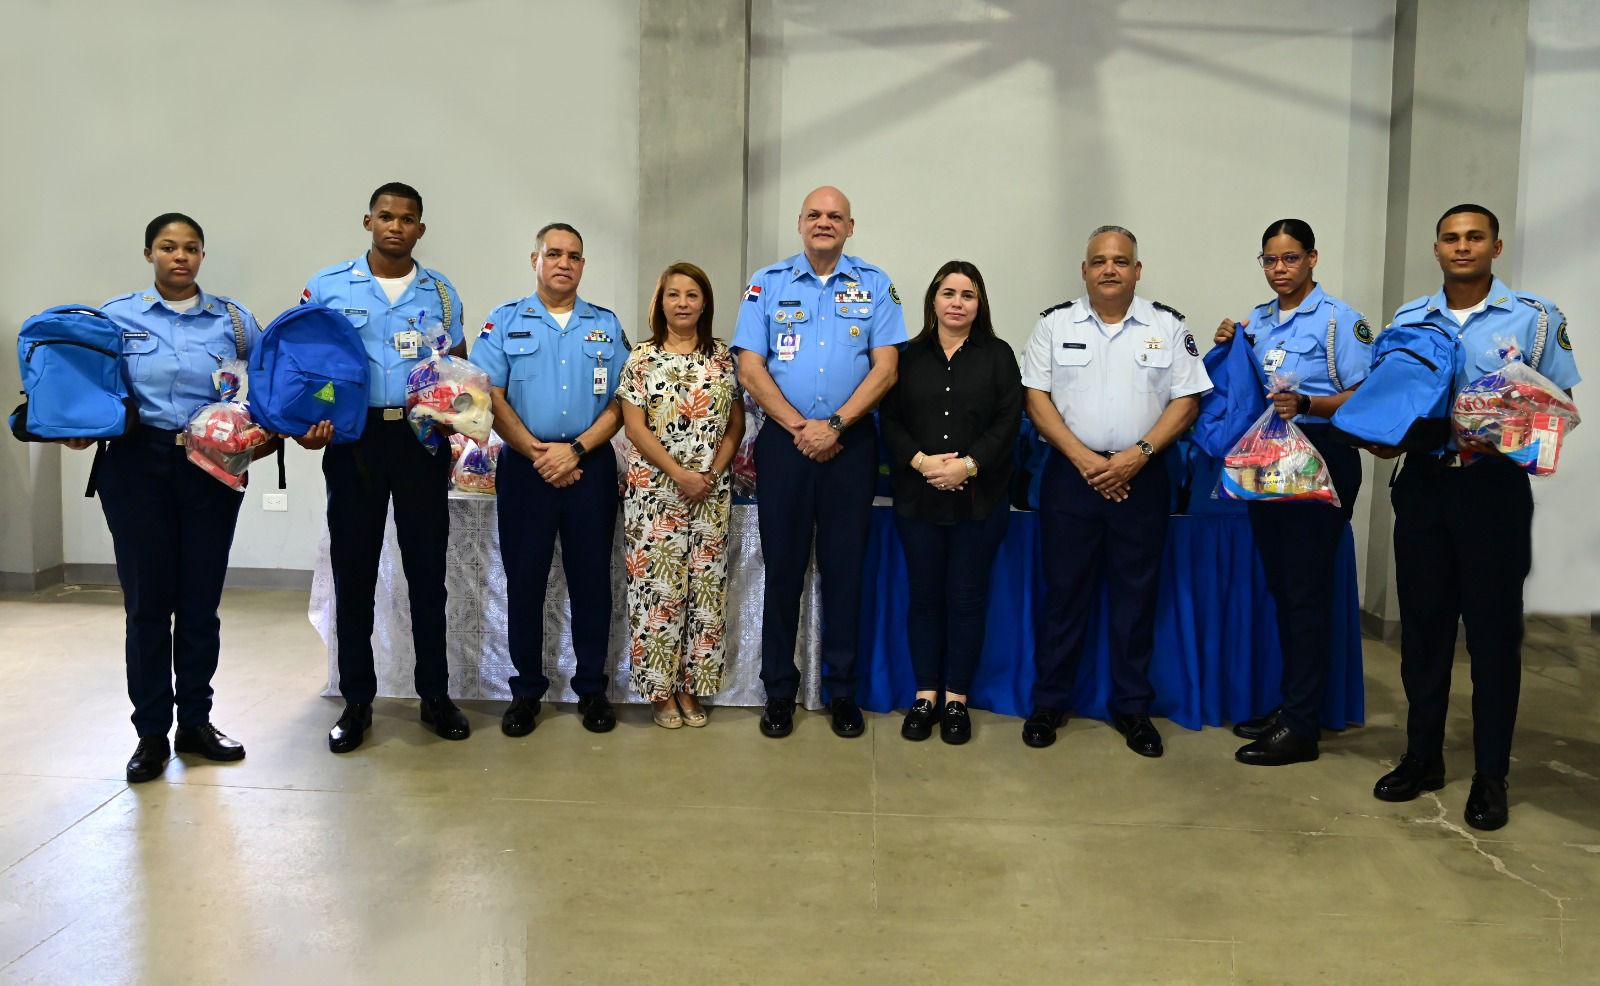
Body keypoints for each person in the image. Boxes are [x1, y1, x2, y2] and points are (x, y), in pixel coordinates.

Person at [1369, 204, 1578, 831]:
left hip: (1494, 491)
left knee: (1492, 638)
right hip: (1425, 486)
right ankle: (1422, 757)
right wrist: (1379, 432)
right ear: (1436, 249)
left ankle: (1491, 776)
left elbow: (1560, 406)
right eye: (1451, 239)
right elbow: (1389, 401)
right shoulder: (1410, 319)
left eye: (1474, 238)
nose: (1462, 248)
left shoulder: (1537, 320)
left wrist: (1508, 435)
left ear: (1496, 246)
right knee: (1425, 631)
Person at [76, 213, 261, 782]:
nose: (180, 257)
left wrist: (277, 427)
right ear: (149, 253)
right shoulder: (115, 317)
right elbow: (92, 387)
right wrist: (77, 422)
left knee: (200, 606)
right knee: (149, 606)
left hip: (210, 467)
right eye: (168, 247)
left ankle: (197, 725)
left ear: (203, 256)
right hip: (137, 466)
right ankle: (152, 734)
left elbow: (270, 381)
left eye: (191, 248)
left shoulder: (232, 321)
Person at [1019, 225, 1211, 756]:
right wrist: (1084, 459)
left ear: (1137, 270)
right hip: (1070, 477)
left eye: (1120, 261)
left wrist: (1137, 456)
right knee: (1064, 594)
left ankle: (1132, 708)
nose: (1109, 269)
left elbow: (1187, 400)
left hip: (1143, 477)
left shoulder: (1168, 326)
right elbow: (1035, 396)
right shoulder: (1054, 324)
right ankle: (1050, 702)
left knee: (1136, 597)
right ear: (1084, 270)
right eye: (1099, 261)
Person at [732, 185, 908, 739]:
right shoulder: (767, 283)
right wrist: (798, 426)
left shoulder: (875, 284)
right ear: (800, 223)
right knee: (782, 572)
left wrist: (833, 425)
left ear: (850, 227)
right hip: (784, 445)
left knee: (844, 572)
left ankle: (842, 691)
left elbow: (886, 369)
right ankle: (779, 692)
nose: (825, 223)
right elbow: (749, 367)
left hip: (851, 445)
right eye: (815, 215)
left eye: (836, 216)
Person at [303, 181, 470, 753]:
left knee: (428, 575)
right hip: (353, 439)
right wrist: (310, 421)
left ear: (420, 228)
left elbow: (457, 366)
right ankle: (356, 701)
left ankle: (435, 696)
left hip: (421, 440)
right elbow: (306, 364)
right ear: (368, 221)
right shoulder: (327, 287)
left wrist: (459, 413)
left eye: (407, 218)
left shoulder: (442, 293)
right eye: (385, 216)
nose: (395, 226)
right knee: (354, 574)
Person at [1212, 219, 1372, 766]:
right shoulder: (1257, 321)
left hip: (1320, 456)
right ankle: (1292, 706)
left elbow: (1365, 395)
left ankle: (1303, 727)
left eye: (1291, 259)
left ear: (1313, 259)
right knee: (1283, 588)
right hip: (1268, 460)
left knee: (1306, 592)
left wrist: (1310, 406)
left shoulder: (1339, 321)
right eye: (1271, 260)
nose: (1281, 269)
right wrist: (1228, 349)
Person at [471, 222, 628, 736]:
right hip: (526, 467)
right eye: (554, 253)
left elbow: (624, 402)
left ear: (583, 266)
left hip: (591, 466)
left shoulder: (604, 325)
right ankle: (527, 691)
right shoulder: (503, 321)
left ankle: (592, 690)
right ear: (534, 259)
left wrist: (576, 449)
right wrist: (538, 452)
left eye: (575, 256)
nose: (565, 262)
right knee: (526, 581)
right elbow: (488, 394)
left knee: (590, 582)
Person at [878, 261, 1021, 744]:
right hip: (917, 499)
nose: (957, 302)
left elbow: (1009, 420)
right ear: (933, 300)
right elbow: (890, 419)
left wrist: (968, 465)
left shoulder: (998, 355)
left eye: (968, 294)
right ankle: (925, 697)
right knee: (924, 597)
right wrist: (922, 463)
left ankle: (956, 699)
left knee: (966, 598)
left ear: (980, 304)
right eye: (948, 293)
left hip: (980, 500)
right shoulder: (907, 355)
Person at [616, 262, 745, 728]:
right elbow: (634, 427)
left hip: (710, 492)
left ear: (705, 302)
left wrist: (708, 473)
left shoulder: (724, 358)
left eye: (692, 295)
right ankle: (660, 692)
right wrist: (679, 474)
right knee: (659, 593)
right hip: (655, 495)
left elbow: (735, 426)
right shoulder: (642, 357)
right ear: (661, 302)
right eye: (674, 295)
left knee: (704, 592)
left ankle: (693, 687)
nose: (683, 303)